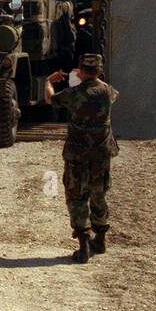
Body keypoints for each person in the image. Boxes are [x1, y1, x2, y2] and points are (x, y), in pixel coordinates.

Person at [45, 53, 119, 263]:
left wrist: (49, 82)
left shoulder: (73, 93)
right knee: (99, 194)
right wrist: (93, 76)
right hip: (101, 154)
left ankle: (84, 244)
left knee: (77, 197)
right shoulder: (107, 92)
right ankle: (101, 239)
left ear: (80, 69)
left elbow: (50, 99)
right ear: (100, 71)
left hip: (77, 155)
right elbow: (110, 91)